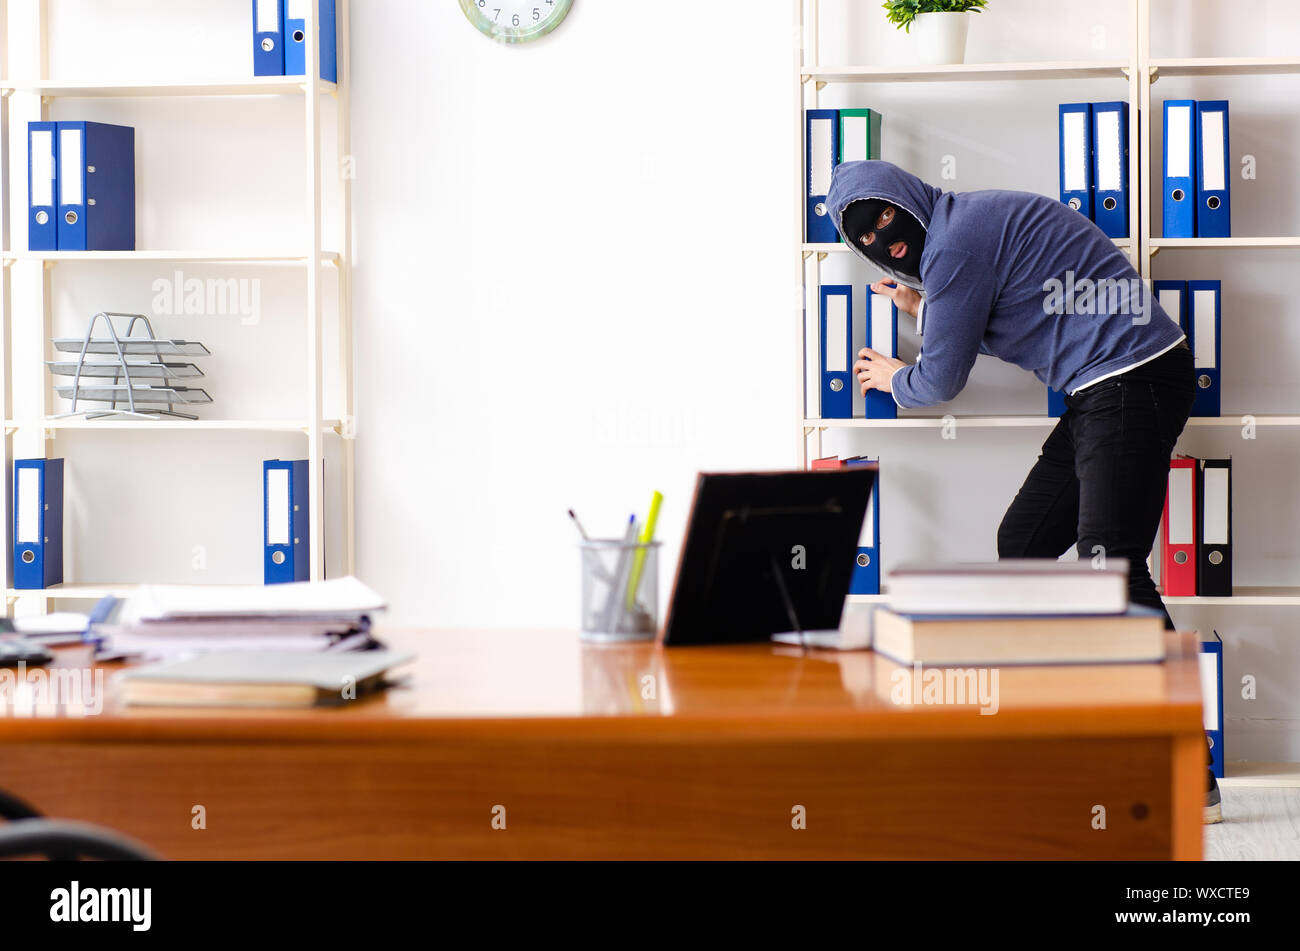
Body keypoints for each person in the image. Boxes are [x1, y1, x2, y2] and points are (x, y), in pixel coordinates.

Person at [827, 160, 1221, 824]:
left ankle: (1189, 770)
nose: (886, 243)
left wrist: (898, 377)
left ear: (910, 200)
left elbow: (940, 380)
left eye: (889, 220)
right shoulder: (959, 232)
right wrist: (930, 308)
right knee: (1024, 542)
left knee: (1112, 567)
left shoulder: (953, 246)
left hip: (1133, 378)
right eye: (867, 238)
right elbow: (1015, 302)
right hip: (1105, 386)